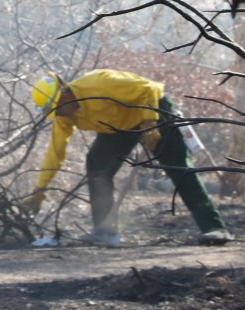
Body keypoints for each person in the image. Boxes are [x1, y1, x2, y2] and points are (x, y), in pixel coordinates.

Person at [22, 68, 232, 246]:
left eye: (56, 108)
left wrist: (150, 123)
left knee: (177, 167)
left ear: (65, 93)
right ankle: (105, 232)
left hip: (153, 108)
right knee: (97, 166)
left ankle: (215, 227)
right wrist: (40, 190)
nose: (57, 114)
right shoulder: (64, 115)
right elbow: (55, 152)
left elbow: (149, 89)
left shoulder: (99, 83)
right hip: (119, 125)